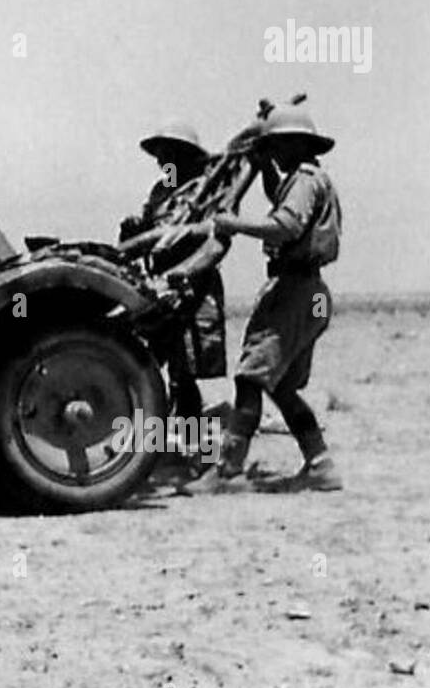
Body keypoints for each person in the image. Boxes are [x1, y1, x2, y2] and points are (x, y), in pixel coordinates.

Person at [186, 104, 342, 494]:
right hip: (308, 291)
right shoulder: (307, 178)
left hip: (294, 289)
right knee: (283, 385)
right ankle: (321, 465)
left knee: (251, 377)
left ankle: (227, 472)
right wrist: (264, 169)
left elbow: (286, 225)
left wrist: (232, 223)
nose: (273, 152)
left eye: (277, 145)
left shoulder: (305, 180)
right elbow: (284, 201)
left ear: (295, 144)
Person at [120, 122, 227, 425]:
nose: (160, 160)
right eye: (159, 154)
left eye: (167, 153)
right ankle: (165, 442)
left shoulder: (205, 191)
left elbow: (216, 238)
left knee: (187, 374)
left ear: (184, 155)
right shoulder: (160, 192)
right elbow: (145, 235)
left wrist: (185, 267)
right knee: (153, 365)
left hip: (193, 286)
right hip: (159, 287)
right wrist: (134, 228)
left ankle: (196, 452)